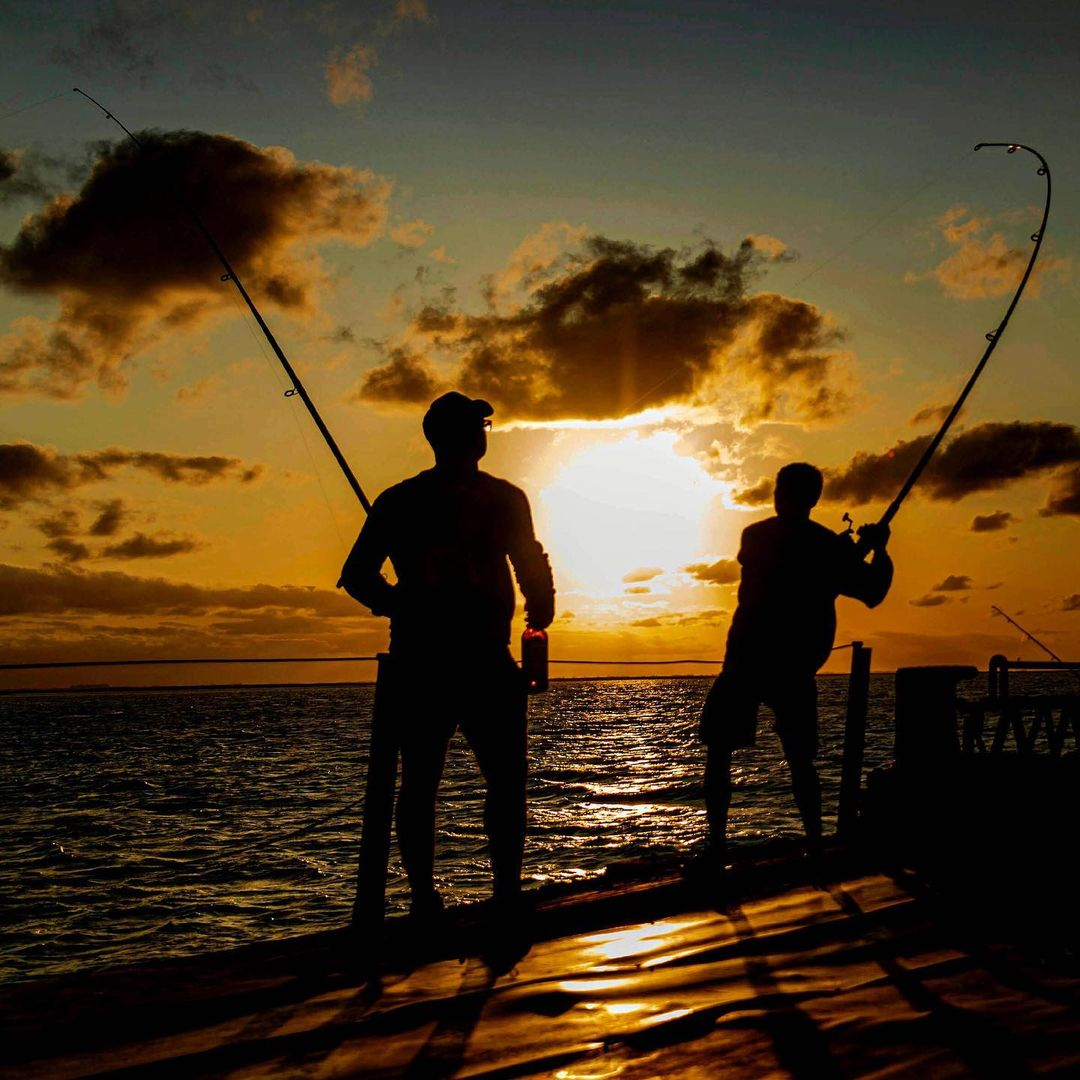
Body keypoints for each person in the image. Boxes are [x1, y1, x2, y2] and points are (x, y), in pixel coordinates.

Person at [338, 392, 554, 924]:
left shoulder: (396, 500)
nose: (483, 434)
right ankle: (504, 893)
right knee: (503, 782)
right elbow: (531, 566)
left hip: (423, 660)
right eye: (480, 426)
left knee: (421, 786)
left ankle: (425, 901)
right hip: (479, 659)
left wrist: (400, 605)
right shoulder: (506, 498)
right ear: (471, 438)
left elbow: (359, 577)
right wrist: (540, 610)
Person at [700, 462, 893, 864]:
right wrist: (876, 551)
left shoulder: (760, 537)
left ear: (783, 495)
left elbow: (828, 576)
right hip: (787, 665)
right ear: (815, 499)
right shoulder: (824, 548)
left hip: (749, 661)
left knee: (725, 750)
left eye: (780, 489)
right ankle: (815, 845)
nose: (776, 496)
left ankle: (719, 847)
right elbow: (872, 591)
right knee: (797, 759)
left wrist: (863, 552)